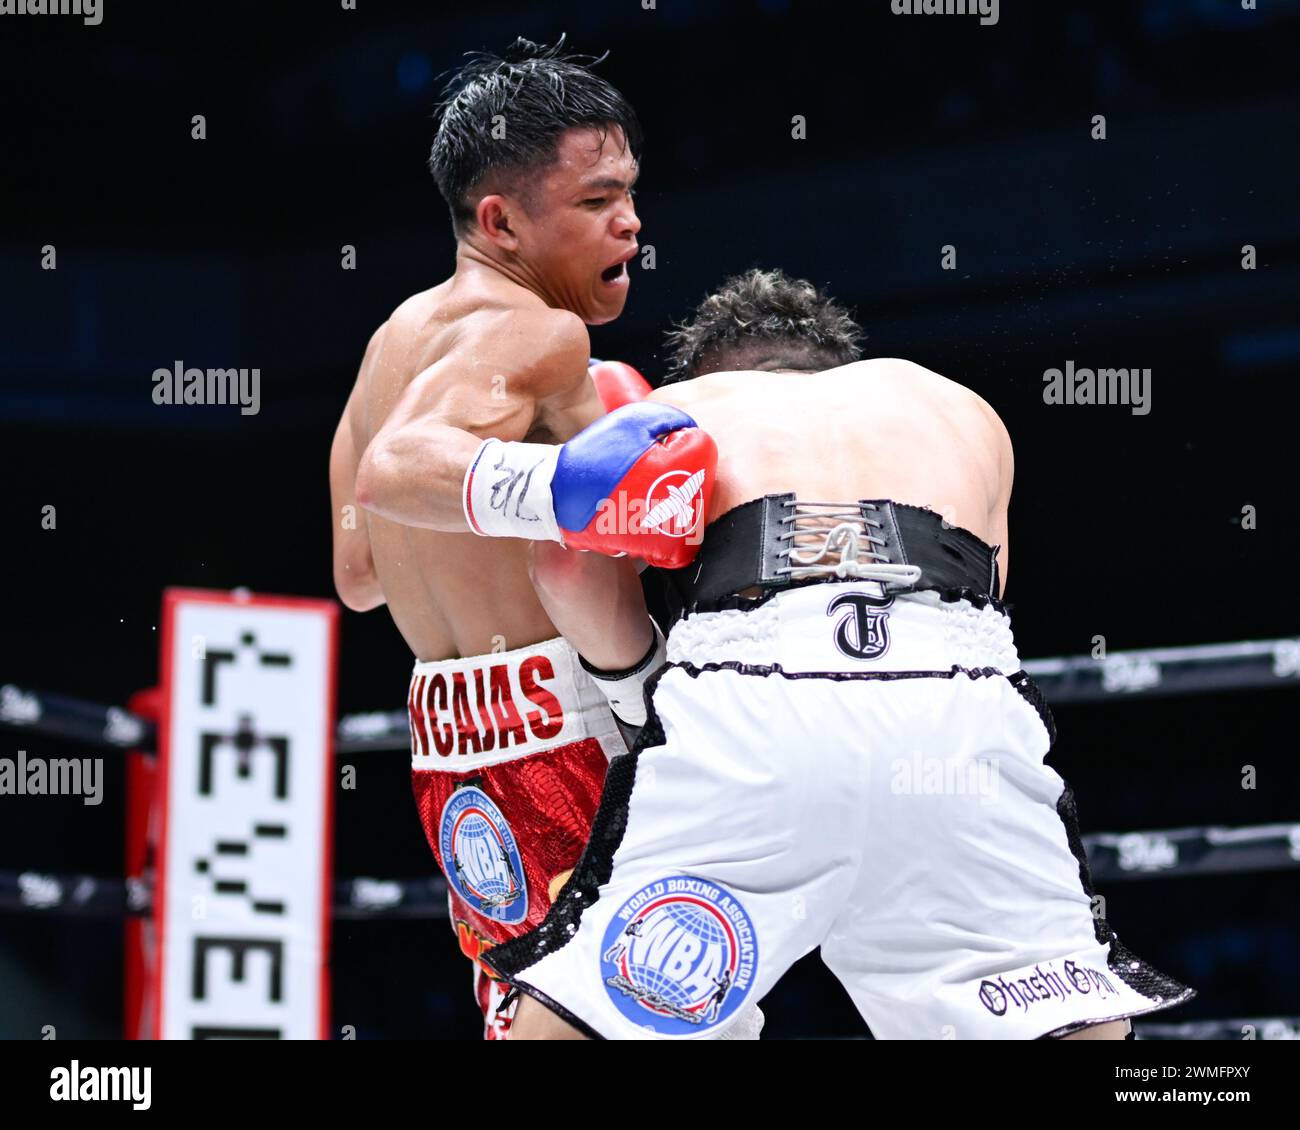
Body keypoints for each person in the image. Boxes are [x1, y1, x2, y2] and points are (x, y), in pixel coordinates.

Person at [483, 268, 1196, 1040]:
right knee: (1059, 1019)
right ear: (831, 359)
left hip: (755, 702)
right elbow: (986, 603)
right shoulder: (958, 408)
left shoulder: (674, 409)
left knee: (593, 1014)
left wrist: (638, 699)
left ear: (711, 365)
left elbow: (569, 571)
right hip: (956, 703)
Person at [329, 37, 720, 1038]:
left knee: (533, 1007)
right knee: (675, 1010)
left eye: (630, 193)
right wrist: (568, 484)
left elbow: (360, 573)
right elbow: (399, 473)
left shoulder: (387, 347)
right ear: (500, 220)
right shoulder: (547, 335)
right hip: (574, 730)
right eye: (596, 199)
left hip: (450, 761)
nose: (631, 221)